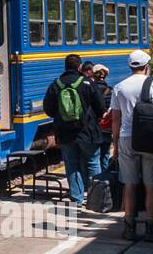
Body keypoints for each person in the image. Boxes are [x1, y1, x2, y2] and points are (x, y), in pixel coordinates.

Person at [110, 49, 153, 241]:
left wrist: (115, 144)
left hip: (126, 138)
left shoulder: (119, 87)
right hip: (150, 139)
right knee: (151, 185)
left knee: (129, 184)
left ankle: (129, 228)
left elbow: (115, 120)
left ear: (130, 66)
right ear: (147, 66)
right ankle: (151, 229)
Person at [42, 53, 107, 208]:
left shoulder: (56, 84)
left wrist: (61, 116)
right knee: (92, 162)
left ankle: (76, 199)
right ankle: (94, 198)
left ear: (65, 66)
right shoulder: (86, 82)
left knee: (72, 165)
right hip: (87, 131)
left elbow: (48, 109)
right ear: (79, 66)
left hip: (65, 133)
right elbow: (100, 106)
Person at [91, 65, 113, 169]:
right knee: (105, 156)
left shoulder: (90, 90)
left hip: (93, 129)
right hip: (106, 128)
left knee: (94, 158)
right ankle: (105, 180)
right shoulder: (111, 91)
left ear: (94, 76)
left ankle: (96, 181)